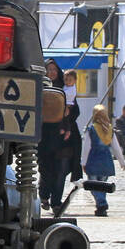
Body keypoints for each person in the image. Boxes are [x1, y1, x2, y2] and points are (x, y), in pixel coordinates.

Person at [39, 60, 73, 210]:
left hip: (62, 137)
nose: (52, 72)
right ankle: (44, 196)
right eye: (49, 69)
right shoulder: (39, 88)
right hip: (44, 135)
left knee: (60, 170)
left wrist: (67, 121)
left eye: (54, 69)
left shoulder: (65, 89)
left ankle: (56, 201)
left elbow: (73, 111)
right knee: (45, 169)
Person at [81, 104, 125, 216]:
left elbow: (87, 147)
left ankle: (101, 203)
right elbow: (116, 147)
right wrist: (122, 161)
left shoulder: (91, 130)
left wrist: (83, 162)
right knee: (102, 185)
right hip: (106, 161)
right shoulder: (109, 129)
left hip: (93, 161)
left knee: (93, 185)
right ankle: (101, 206)